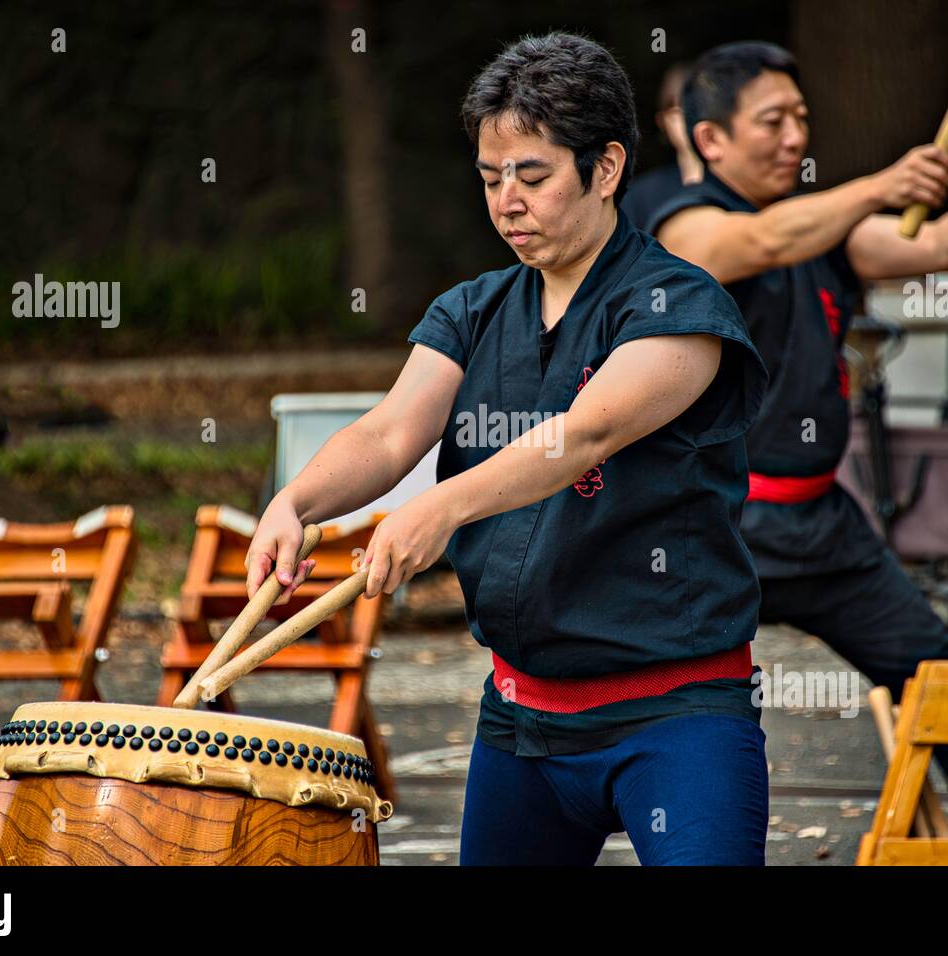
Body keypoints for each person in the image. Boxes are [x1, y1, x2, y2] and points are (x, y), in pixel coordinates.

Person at [245, 32, 770, 865]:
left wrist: (440, 505)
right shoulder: (474, 308)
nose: (506, 203)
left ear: (605, 168)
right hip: (521, 722)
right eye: (491, 179)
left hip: (676, 715)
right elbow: (389, 432)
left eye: (532, 176)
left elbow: (584, 432)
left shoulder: (678, 304)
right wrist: (292, 504)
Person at [651, 42, 948, 835]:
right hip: (708, 524)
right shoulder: (680, 222)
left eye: (802, 117)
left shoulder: (830, 233)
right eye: (773, 121)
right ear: (712, 141)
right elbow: (757, 244)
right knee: (678, 702)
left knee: (937, 667)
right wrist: (881, 182)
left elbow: (939, 247)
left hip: (820, 524)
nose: (796, 136)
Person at [621, 61, 703, 231]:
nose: (691, 118)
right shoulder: (640, 196)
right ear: (663, 120)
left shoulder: (743, 183)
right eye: (680, 108)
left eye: (699, 108)